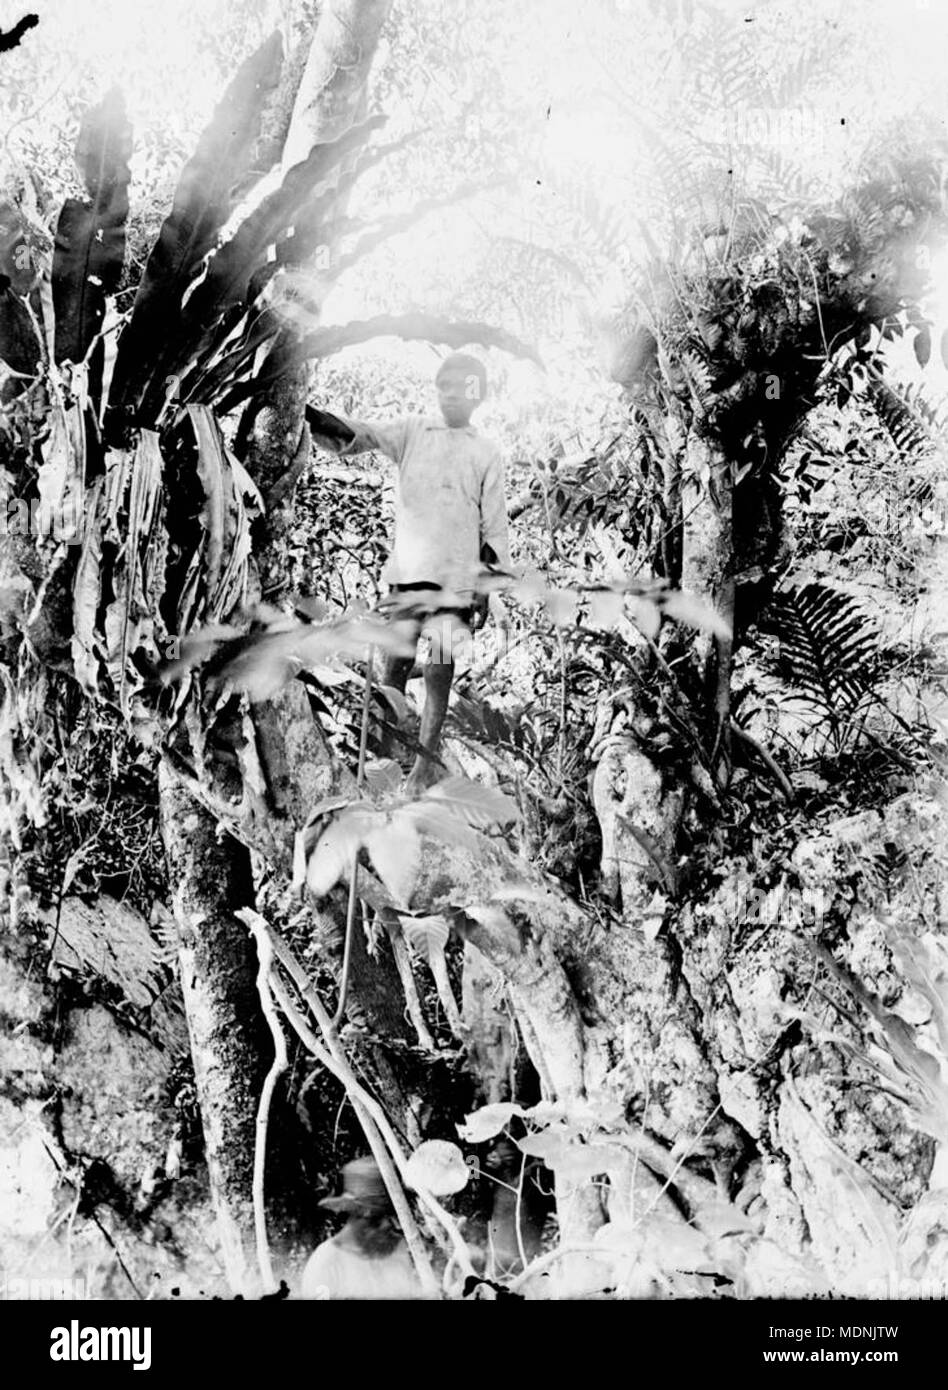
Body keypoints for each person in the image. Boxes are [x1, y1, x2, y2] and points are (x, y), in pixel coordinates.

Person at [307, 352, 511, 789]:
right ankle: (379, 759)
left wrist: (484, 590)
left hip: (453, 592)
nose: (453, 393)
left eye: (464, 386)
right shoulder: (415, 430)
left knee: (438, 673)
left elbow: (493, 525)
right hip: (408, 582)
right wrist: (311, 418)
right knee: (394, 669)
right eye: (446, 385)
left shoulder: (486, 451)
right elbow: (363, 434)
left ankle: (424, 766)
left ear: (479, 394)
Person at [300, 1155, 430, 1300]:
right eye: (378, 1217)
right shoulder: (327, 1263)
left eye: (393, 1216)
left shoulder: (400, 1250)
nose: (388, 1225)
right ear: (358, 1214)